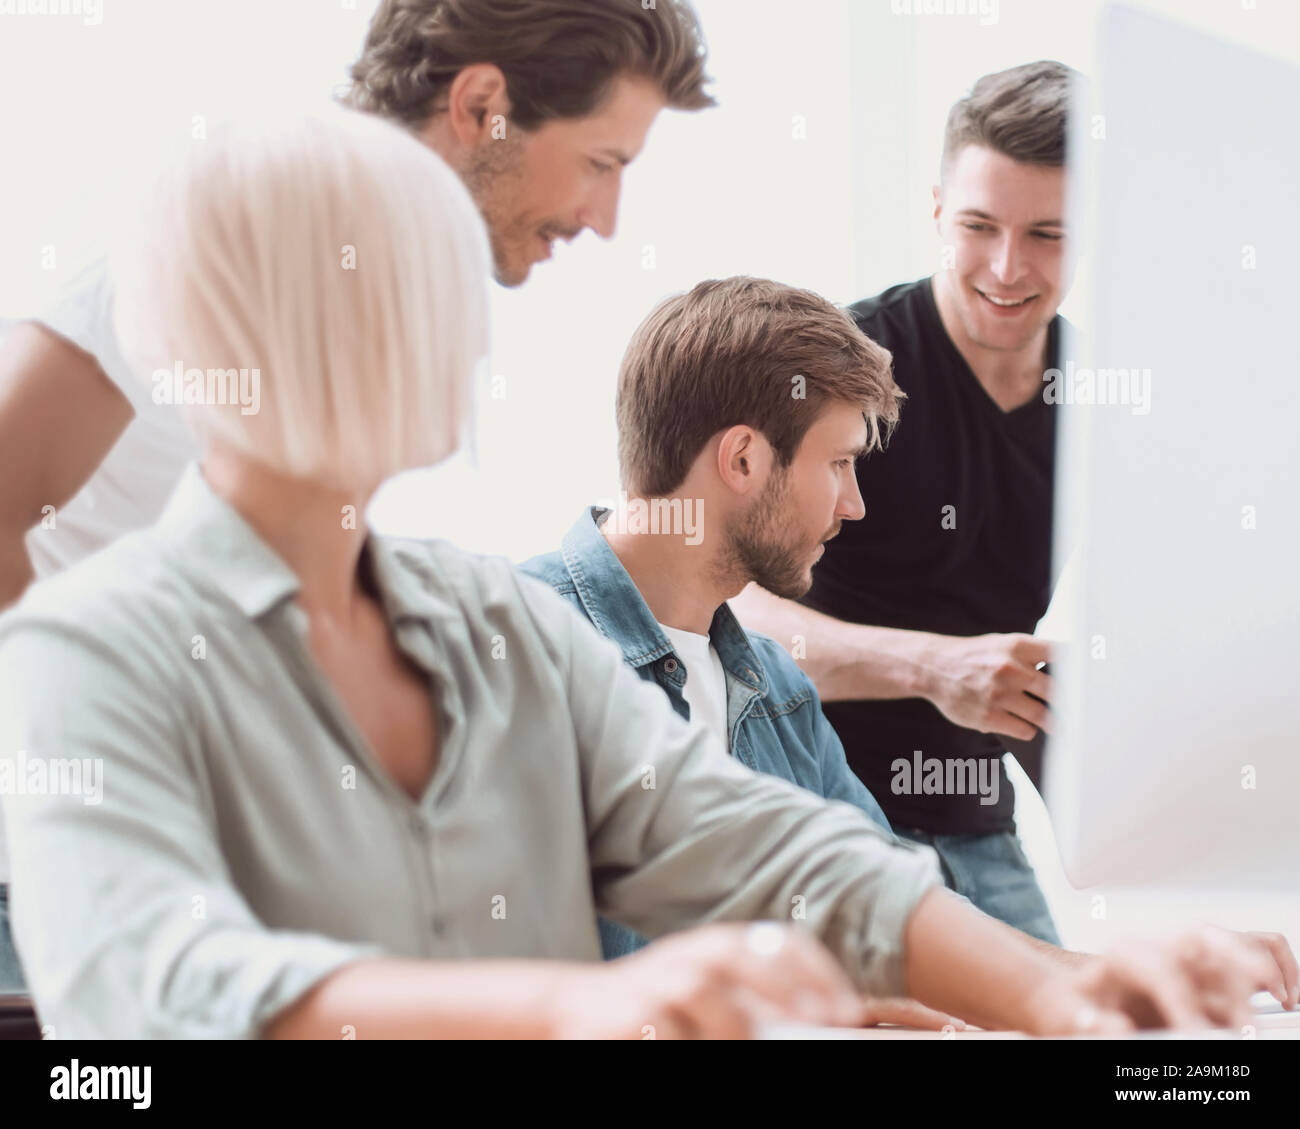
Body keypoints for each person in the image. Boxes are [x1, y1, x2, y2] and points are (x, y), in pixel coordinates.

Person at [0, 109, 1281, 1039]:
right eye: (427, 281)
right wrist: (578, 1003)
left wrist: (1058, 985)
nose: (473, 320)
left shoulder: (490, 619)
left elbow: (751, 843)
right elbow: (155, 985)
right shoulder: (87, 650)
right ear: (285, 327)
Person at [0, 0, 714, 992]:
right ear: (481, 104)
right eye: (603, 162)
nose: (604, 219)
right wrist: (91, 753)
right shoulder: (233, 220)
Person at [732, 60, 1074, 943]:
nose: (1007, 266)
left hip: (980, 829)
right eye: (977, 225)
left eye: (1047, 233)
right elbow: (735, 610)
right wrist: (933, 669)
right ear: (934, 212)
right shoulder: (845, 370)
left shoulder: (1101, 407)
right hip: (813, 825)